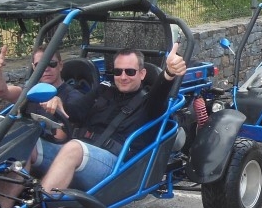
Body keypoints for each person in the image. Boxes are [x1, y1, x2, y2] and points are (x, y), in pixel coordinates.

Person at [31, 44, 188, 193]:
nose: (123, 77)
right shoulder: (103, 90)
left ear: (142, 74)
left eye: (130, 72)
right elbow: (74, 112)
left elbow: (159, 94)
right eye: (118, 72)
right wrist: (59, 103)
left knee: (74, 147)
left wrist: (168, 73)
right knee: (29, 144)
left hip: (117, 168)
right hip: (82, 155)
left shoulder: (149, 103)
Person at [0, 44, 82, 142]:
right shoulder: (29, 91)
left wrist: (58, 103)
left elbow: (59, 141)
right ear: (34, 68)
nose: (46, 68)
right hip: (24, 143)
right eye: (40, 65)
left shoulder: (73, 97)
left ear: (61, 66)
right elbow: (1, 92)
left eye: (52, 64)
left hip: (49, 149)